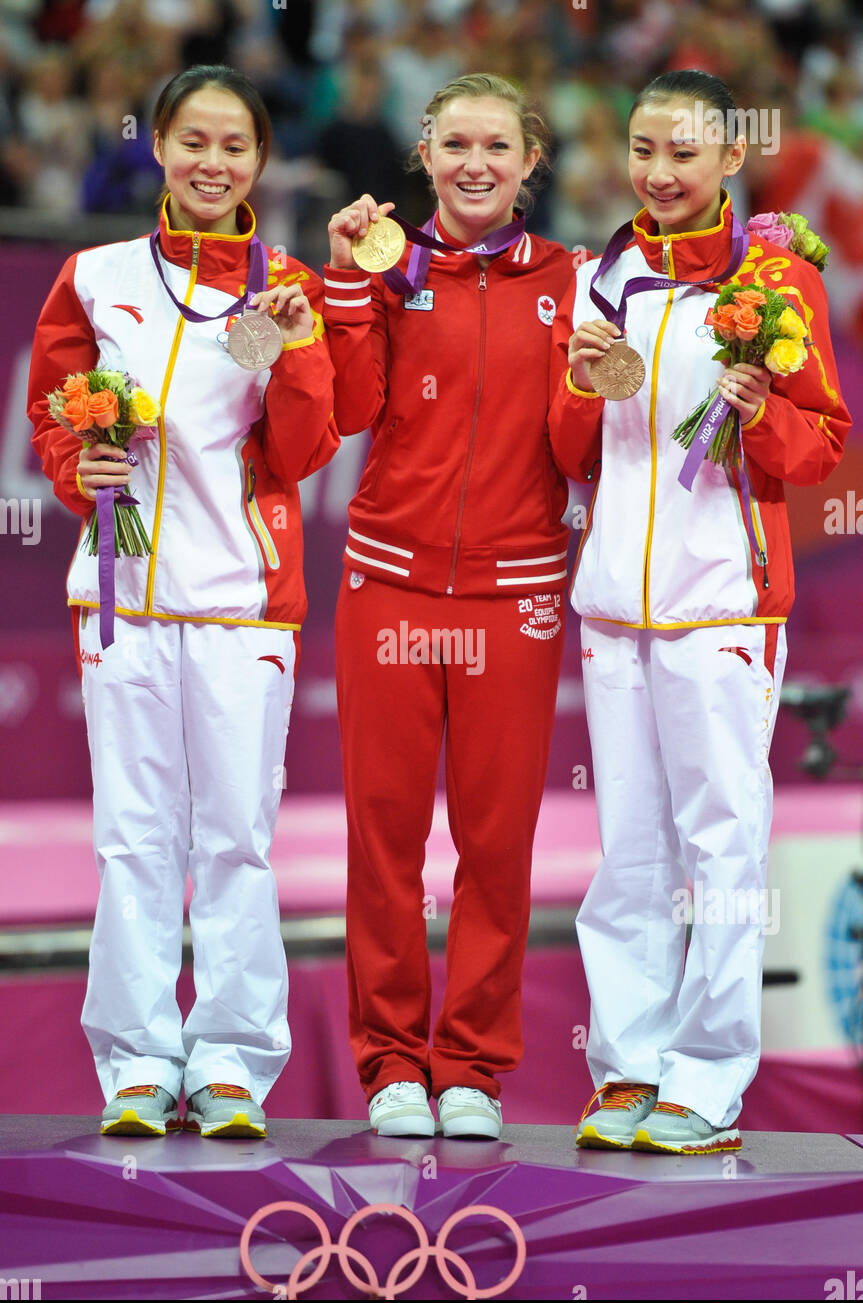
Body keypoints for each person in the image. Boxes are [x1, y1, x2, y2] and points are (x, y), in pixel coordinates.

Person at [27, 64, 339, 1139]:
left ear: (260, 160)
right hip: (119, 597)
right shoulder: (94, 274)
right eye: (194, 141)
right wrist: (81, 467)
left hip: (241, 600)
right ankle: (136, 1064)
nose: (213, 163)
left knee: (238, 837)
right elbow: (55, 415)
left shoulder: (284, 285)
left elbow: (303, 449)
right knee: (132, 835)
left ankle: (232, 1063)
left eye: (235, 146)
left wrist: (295, 346)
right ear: (157, 146)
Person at [548, 70, 851, 1154]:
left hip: (720, 598)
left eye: (682, 152)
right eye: (641, 149)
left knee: (720, 841)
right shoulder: (602, 275)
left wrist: (760, 410)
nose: (657, 171)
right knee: (625, 846)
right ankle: (626, 1065)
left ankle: (708, 1078)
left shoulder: (775, 280)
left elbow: (819, 445)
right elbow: (566, 454)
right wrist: (579, 388)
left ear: (730, 159)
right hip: (611, 605)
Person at [323, 72, 574, 1140]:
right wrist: (343, 287)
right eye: (456, 144)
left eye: (497, 146)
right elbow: (341, 414)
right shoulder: (387, 267)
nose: (476, 163)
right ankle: (388, 1060)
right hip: (386, 583)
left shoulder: (577, 280)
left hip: (514, 598)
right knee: (382, 838)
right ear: (423, 154)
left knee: (496, 841)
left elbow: (581, 452)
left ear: (528, 162)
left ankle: (469, 1065)